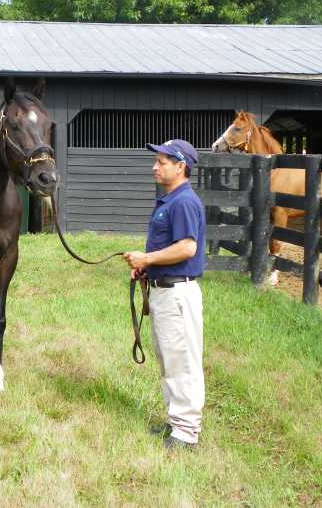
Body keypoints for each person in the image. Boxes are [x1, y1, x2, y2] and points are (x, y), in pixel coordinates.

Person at [123, 139, 206, 451]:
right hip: (164, 290)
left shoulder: (183, 202)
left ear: (180, 166)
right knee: (170, 359)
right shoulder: (172, 201)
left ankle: (186, 433)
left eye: (162, 162)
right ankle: (177, 423)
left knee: (182, 361)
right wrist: (148, 269)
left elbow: (188, 247)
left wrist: (147, 259)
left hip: (177, 294)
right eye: (156, 161)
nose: (154, 167)